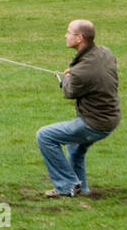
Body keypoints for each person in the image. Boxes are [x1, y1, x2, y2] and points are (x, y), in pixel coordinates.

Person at [36, 19, 120, 197]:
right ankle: (81, 189)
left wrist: (67, 77)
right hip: (111, 117)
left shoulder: (82, 71)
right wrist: (72, 73)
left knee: (45, 135)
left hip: (94, 123)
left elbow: (69, 92)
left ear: (79, 38)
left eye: (69, 32)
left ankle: (66, 186)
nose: (65, 36)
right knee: (75, 146)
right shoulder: (105, 52)